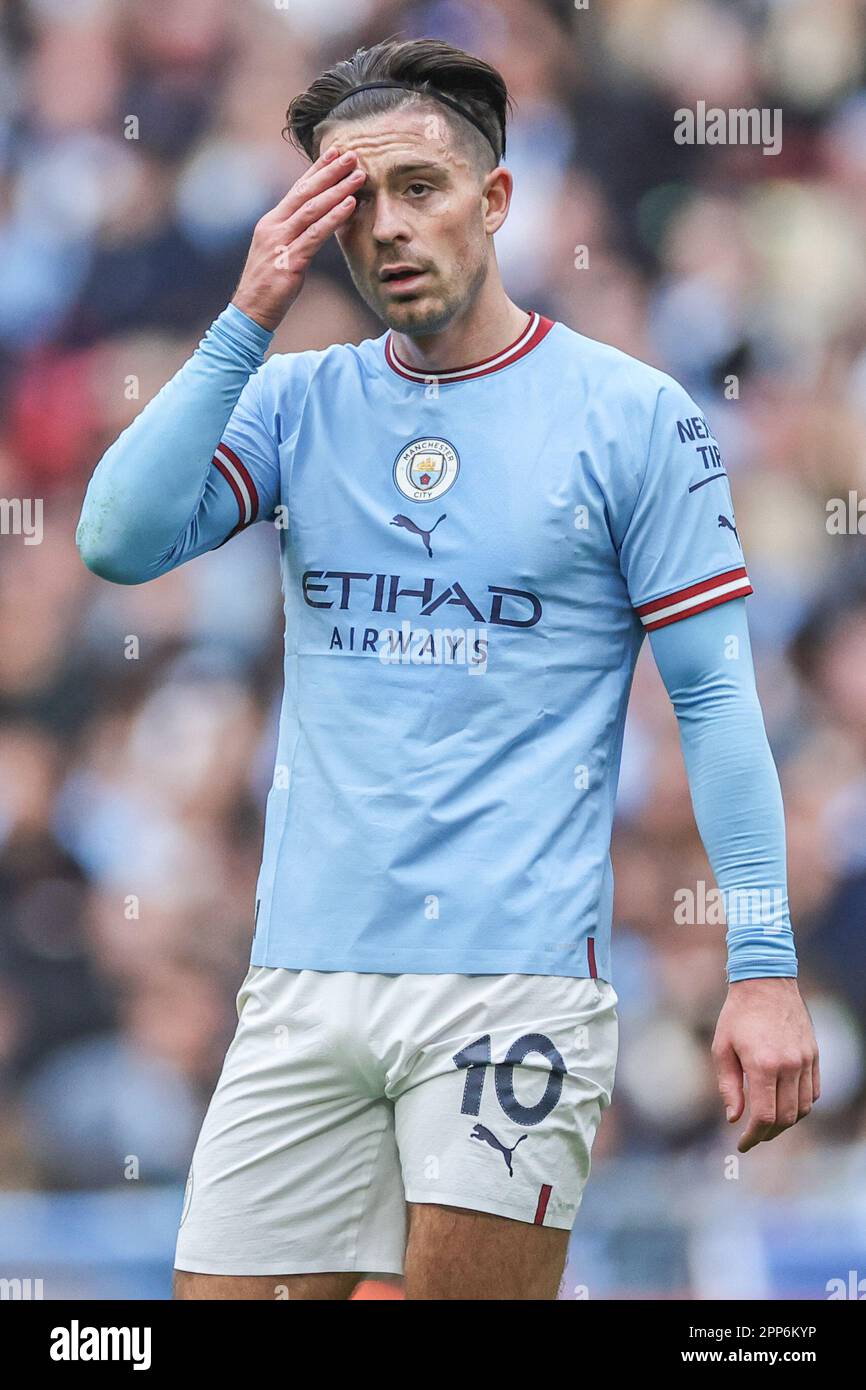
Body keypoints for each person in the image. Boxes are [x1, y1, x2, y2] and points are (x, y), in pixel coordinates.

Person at [76, 37, 819, 1301]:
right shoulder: (296, 400)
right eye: (351, 199)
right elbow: (112, 539)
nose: (386, 226)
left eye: (418, 186)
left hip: (511, 985)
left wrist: (759, 965)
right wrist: (245, 314)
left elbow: (710, 698)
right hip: (302, 979)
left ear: (497, 199)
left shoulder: (630, 417)